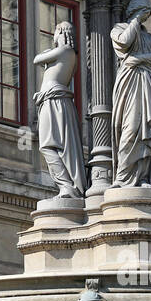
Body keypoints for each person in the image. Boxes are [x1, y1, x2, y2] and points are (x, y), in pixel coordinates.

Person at [110, 0, 151, 190]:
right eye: (144, 11)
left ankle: (144, 178)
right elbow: (124, 42)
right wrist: (135, 20)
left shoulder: (150, 38)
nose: (147, 16)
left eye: (148, 13)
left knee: (149, 131)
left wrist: (140, 59)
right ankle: (122, 177)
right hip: (131, 83)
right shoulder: (118, 29)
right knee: (130, 128)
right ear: (135, 11)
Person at [33, 21, 86, 198]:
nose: (53, 36)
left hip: (54, 100)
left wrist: (48, 52)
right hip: (53, 100)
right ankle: (66, 184)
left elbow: (37, 59)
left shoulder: (65, 51)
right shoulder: (70, 54)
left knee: (48, 145)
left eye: (56, 32)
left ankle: (66, 185)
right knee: (53, 145)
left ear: (61, 33)